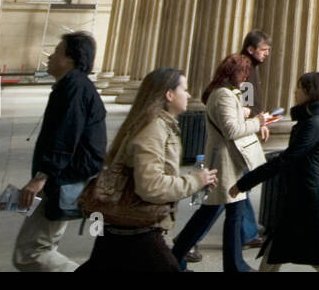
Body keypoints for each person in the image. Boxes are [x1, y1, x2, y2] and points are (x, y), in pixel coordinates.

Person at [76, 68, 216, 272]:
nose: (188, 95)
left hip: (125, 226)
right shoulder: (154, 128)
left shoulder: (158, 124)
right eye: (184, 89)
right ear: (169, 94)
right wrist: (195, 181)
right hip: (137, 229)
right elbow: (150, 185)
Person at [13, 31, 107, 272]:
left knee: (31, 253)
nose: (50, 57)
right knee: (41, 247)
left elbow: (65, 135)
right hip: (64, 176)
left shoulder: (74, 87)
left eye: (56, 52)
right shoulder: (73, 85)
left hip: (63, 177)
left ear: (71, 58)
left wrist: (41, 177)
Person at [230, 71, 319, 272]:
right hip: (302, 197)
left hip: (309, 199)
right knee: (279, 249)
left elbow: (286, 160)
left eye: (299, 87)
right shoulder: (312, 120)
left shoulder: (312, 124)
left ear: (310, 92)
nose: (295, 91)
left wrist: (245, 183)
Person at [170, 55, 274, 272]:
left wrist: (251, 118)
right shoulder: (223, 95)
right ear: (232, 73)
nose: (246, 77)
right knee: (214, 212)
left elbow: (233, 124)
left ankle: (228, 264)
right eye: (243, 73)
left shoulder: (228, 93)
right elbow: (232, 131)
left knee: (227, 213)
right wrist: (258, 122)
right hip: (225, 161)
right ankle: (178, 255)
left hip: (229, 161)